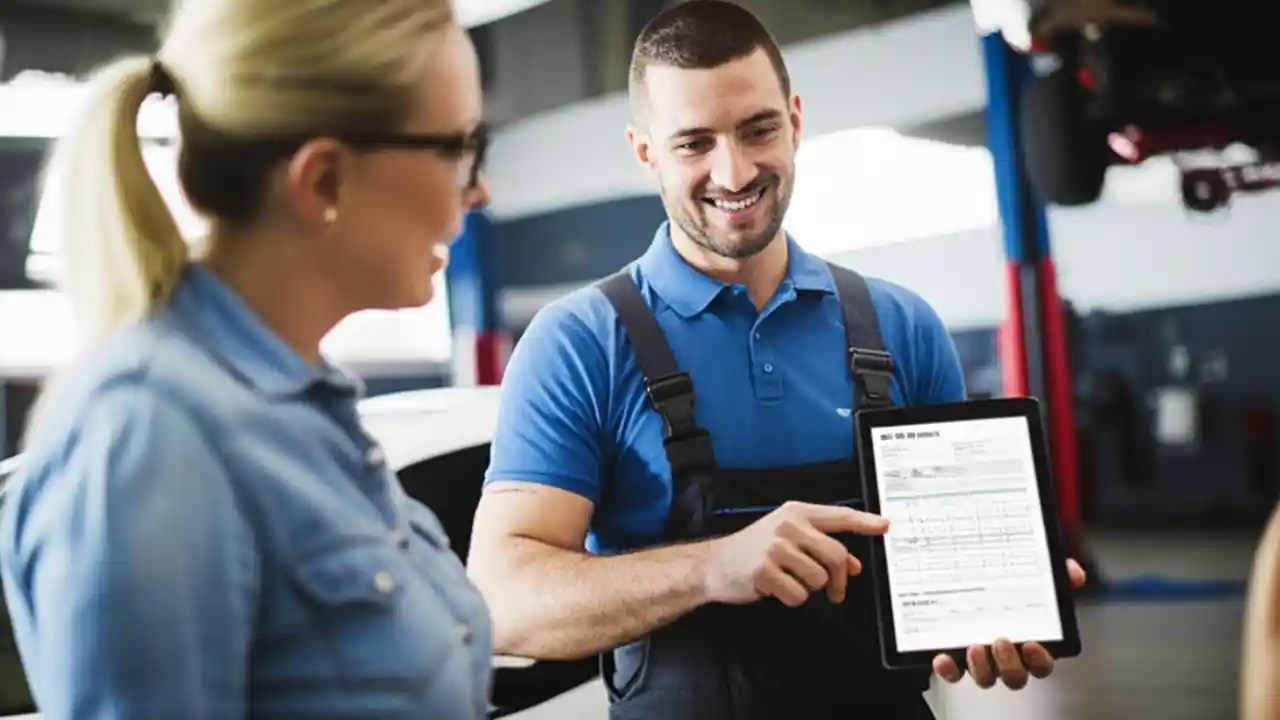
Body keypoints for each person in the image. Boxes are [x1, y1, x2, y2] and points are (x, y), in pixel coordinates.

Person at [468, 2, 1085, 718]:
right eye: (694, 143)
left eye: (757, 129)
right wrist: (714, 566)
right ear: (646, 153)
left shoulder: (901, 325)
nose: (734, 172)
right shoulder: (578, 342)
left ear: (795, 120)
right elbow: (504, 602)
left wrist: (999, 609)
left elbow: (942, 567)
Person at [0, 1, 493, 717]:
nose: (478, 188)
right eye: (458, 148)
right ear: (323, 179)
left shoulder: (301, 416)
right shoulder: (152, 438)